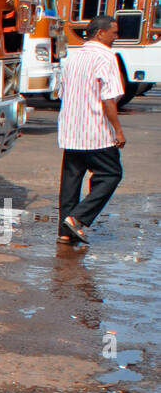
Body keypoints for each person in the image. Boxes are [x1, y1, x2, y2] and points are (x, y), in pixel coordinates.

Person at [57, 14, 126, 248]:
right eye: (114, 32)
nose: (116, 37)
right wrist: (118, 130)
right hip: (95, 131)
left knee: (71, 182)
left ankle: (65, 232)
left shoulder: (74, 57)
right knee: (111, 174)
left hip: (71, 130)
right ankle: (77, 218)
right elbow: (109, 99)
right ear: (100, 33)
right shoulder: (106, 57)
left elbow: (61, 93)